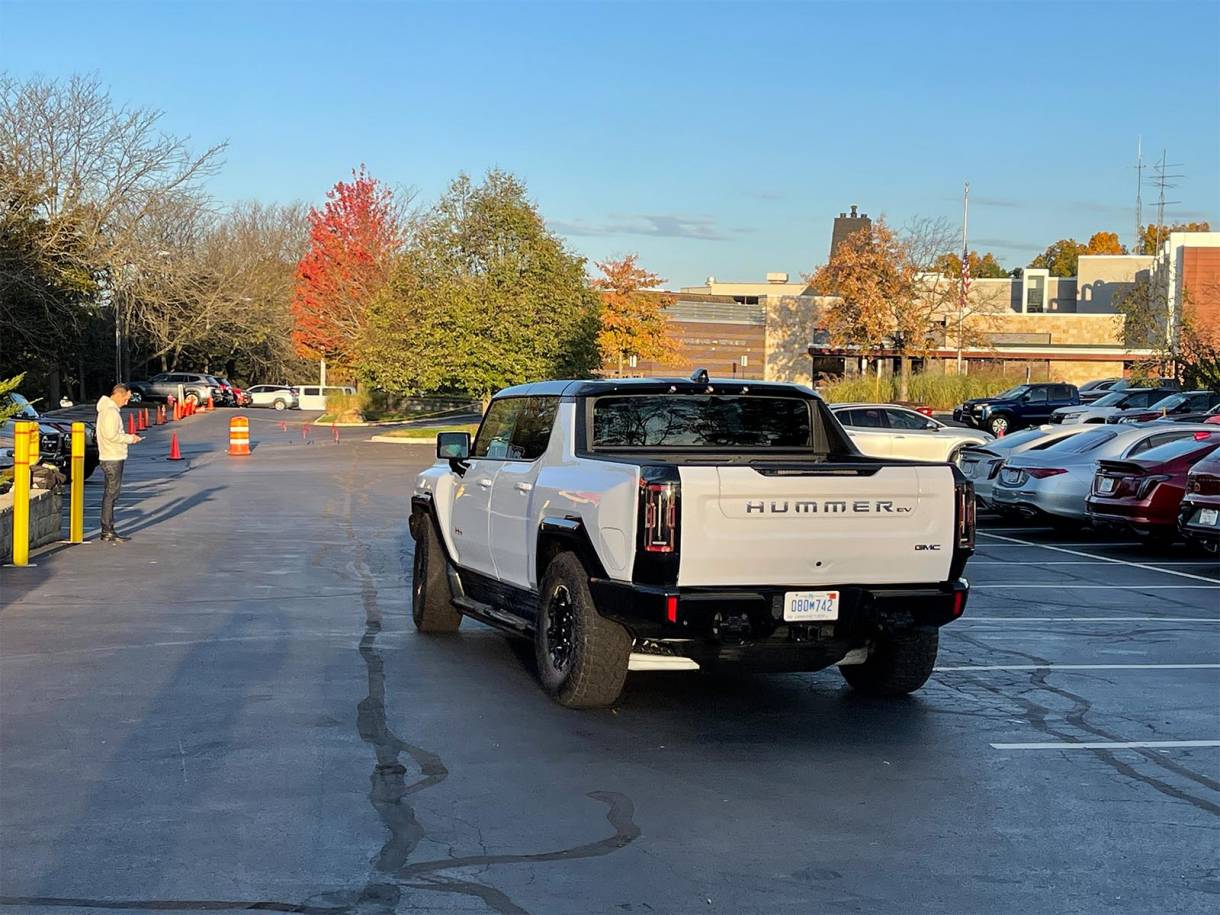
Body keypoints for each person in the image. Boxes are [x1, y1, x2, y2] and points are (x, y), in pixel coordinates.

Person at [95, 383, 142, 543]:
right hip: (112, 456)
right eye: (126, 398)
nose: (127, 402)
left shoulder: (107, 410)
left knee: (110, 493)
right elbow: (111, 435)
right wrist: (130, 438)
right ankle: (107, 529)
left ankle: (107, 528)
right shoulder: (110, 412)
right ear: (119, 395)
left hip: (110, 455)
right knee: (111, 494)